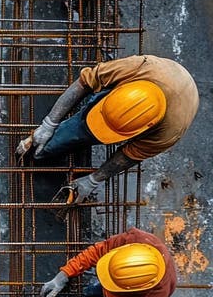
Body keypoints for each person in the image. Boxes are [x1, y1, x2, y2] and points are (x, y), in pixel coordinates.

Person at [16, 55, 198, 203]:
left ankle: (55, 146)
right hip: (166, 74)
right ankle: (52, 142)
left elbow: (129, 155)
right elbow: (85, 82)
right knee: (80, 126)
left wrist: (93, 179)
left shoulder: (167, 133)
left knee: (82, 135)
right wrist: (49, 124)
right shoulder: (136, 69)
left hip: (179, 102)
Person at [18, 227, 176, 297]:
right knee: (91, 291)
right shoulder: (138, 242)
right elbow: (99, 251)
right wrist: (63, 275)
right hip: (132, 283)